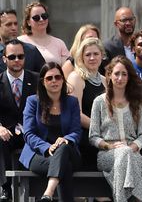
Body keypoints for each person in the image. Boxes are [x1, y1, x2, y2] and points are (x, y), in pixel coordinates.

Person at [89, 57, 142, 202]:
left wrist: (132, 147)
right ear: (109, 75)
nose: (120, 78)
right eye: (116, 74)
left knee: (126, 153)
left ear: (129, 77)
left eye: (124, 74)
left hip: (133, 154)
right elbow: (93, 136)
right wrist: (108, 146)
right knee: (124, 154)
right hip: (107, 155)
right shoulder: (99, 102)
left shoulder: (137, 103)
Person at [21, 63, 82, 202]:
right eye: (49, 78)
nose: (54, 81)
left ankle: (48, 192)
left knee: (64, 147)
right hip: (39, 154)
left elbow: (76, 131)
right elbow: (28, 134)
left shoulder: (72, 102)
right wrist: (47, 147)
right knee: (65, 166)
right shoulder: (32, 101)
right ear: (43, 82)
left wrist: (66, 139)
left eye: (58, 77)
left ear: (63, 80)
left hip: (69, 151)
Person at [0, 39, 34, 200]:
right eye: (12, 57)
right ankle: (5, 188)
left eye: (20, 56)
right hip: (8, 133)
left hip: (32, 132)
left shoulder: (37, 80)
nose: (17, 60)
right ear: (4, 59)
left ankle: (41, 189)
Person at [65, 36, 105, 169]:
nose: (92, 58)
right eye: (88, 55)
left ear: (102, 56)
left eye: (96, 54)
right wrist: (100, 128)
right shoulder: (76, 77)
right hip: (84, 135)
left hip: (103, 132)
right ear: (81, 57)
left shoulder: (105, 80)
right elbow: (77, 113)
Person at [0, 11, 44, 75]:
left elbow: (44, 76)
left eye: (15, 24)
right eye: (9, 24)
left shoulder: (31, 51)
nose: (14, 28)